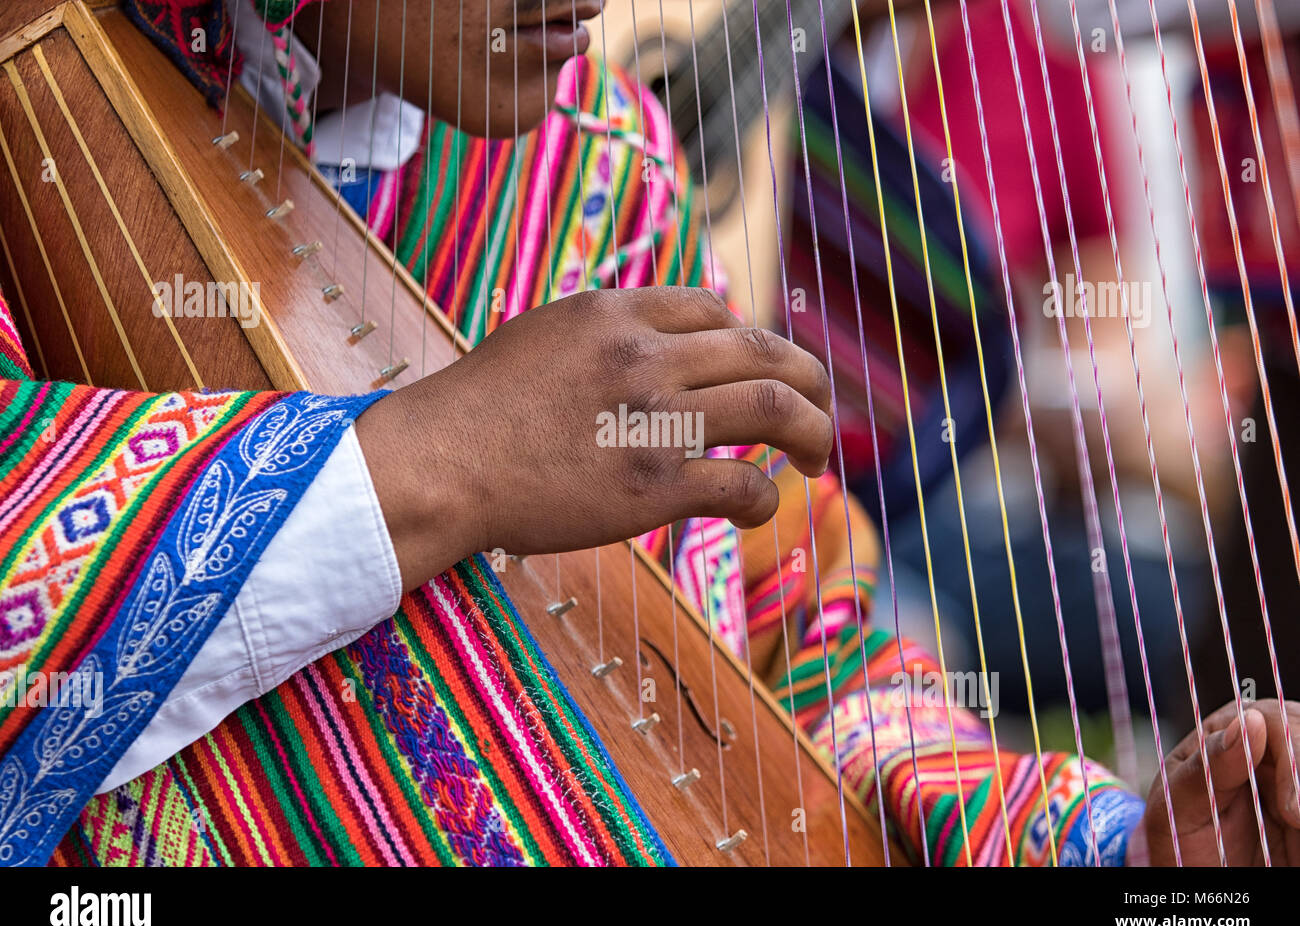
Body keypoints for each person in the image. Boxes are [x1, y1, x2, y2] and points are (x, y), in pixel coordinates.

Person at [1, 0, 1295, 866]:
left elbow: (778, 629)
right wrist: (445, 459)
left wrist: (1114, 847)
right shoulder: (38, 106)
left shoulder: (599, 160)